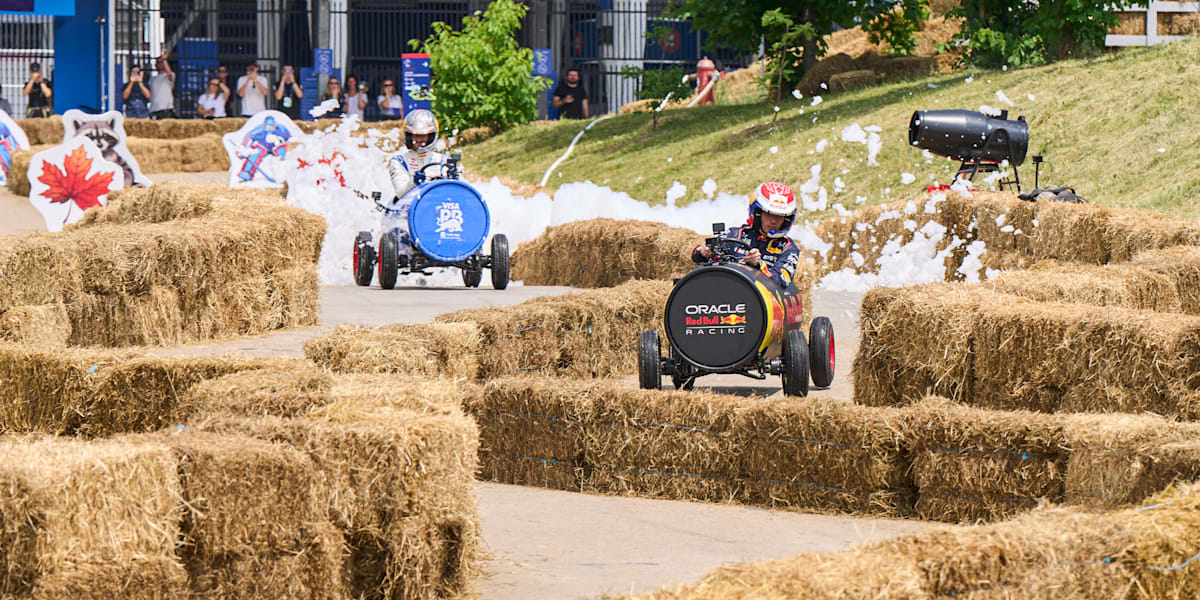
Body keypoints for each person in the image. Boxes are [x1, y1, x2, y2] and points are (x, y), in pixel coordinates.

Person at [692, 181, 800, 288]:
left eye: (779, 216)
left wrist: (758, 266)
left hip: (759, 300)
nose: (773, 221)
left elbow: (782, 281)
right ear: (757, 213)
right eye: (768, 214)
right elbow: (696, 257)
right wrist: (703, 252)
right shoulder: (735, 234)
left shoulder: (788, 248)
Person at [382, 109, 446, 257]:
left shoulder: (443, 160)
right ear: (408, 136)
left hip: (436, 209)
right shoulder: (398, 161)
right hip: (406, 211)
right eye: (416, 136)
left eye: (423, 136)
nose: (420, 140)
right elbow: (400, 192)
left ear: (432, 136)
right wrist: (414, 182)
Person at [236, 115, 291, 182]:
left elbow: (290, 141)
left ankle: (286, 174)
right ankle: (246, 174)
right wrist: (244, 149)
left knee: (282, 151)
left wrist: (278, 141)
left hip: (276, 147)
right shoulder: (259, 130)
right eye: (267, 125)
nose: (270, 128)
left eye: (272, 125)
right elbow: (248, 138)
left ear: (275, 125)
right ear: (264, 125)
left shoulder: (282, 130)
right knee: (256, 153)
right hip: (263, 147)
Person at [148, 51, 175, 119]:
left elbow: (170, 75)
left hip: (165, 108)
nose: (159, 64)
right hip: (153, 109)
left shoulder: (169, 76)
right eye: (158, 62)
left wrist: (164, 60)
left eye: (161, 62)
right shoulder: (152, 78)